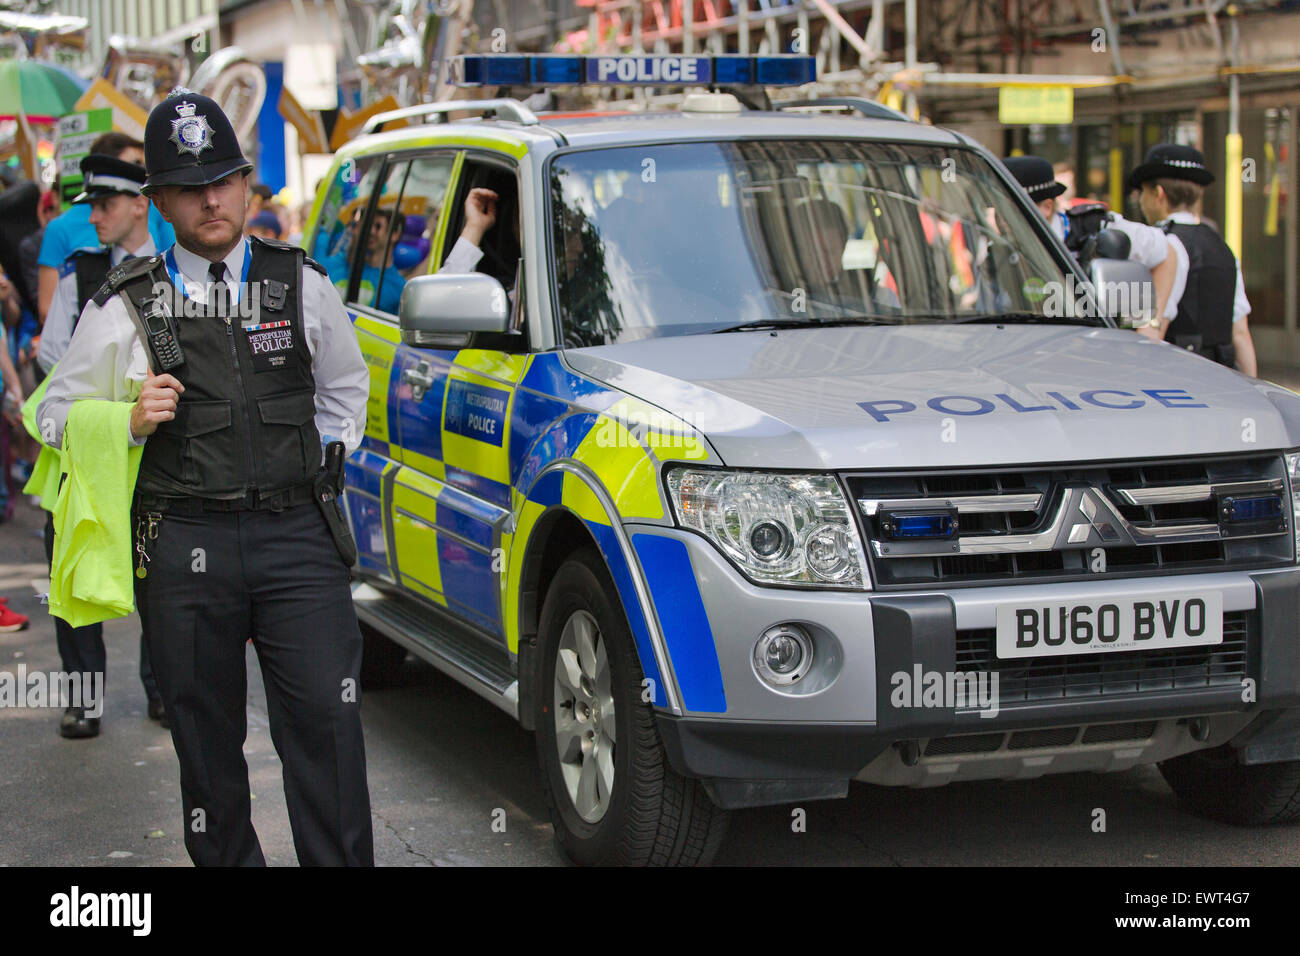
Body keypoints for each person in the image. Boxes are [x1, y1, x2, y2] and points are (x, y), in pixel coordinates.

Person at [38, 89, 373, 866]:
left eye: (224, 180)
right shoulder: (127, 305)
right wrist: (122, 420)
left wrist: (313, 461)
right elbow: (55, 414)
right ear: (159, 201)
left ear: (249, 186)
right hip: (185, 544)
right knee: (207, 744)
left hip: (299, 539)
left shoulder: (300, 283)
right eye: (190, 187)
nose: (212, 199)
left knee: (329, 724)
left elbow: (345, 391)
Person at [35, 154, 166, 738]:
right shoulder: (80, 274)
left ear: (141, 203)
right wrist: (115, 405)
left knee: (160, 570)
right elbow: (50, 353)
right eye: (90, 206)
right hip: (88, 447)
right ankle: (83, 698)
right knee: (70, 552)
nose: (94, 218)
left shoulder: (176, 272)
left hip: (157, 452)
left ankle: (161, 690)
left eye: (106, 205)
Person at [1003, 154, 1180, 328]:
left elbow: (1167, 253)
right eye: (997, 210)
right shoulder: (997, 246)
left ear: (1046, 208)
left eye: (1011, 212)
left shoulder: (1094, 228)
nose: (1000, 220)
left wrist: (1150, 325)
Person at [1126, 143, 1257, 376]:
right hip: (1222, 380)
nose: (1141, 201)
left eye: (1143, 192)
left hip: (1175, 381)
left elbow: (1154, 329)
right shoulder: (1223, 247)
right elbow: (1240, 333)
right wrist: (1253, 388)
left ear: (1158, 194)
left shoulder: (1162, 246)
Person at [36, 132, 176, 325]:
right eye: (136, 163)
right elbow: (54, 345)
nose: (145, 169)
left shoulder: (174, 262)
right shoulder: (77, 271)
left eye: (105, 206)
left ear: (139, 206)